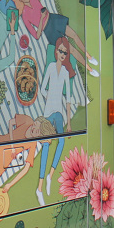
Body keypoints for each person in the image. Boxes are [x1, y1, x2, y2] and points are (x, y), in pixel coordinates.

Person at [9, 0, 98, 77]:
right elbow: (37, 36)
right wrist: (41, 19)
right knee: (72, 50)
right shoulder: (25, 15)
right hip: (49, 32)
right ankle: (90, 69)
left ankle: (89, 57)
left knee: (74, 34)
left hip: (53, 19)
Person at [36, 37, 75, 203]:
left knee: (61, 141)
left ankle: (51, 176)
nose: (62, 54)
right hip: (48, 111)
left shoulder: (66, 73)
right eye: (60, 51)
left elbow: (68, 99)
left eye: (65, 52)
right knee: (46, 145)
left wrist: (69, 124)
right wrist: (49, 101)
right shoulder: (51, 67)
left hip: (58, 111)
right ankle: (40, 186)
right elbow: (43, 87)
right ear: (56, 52)